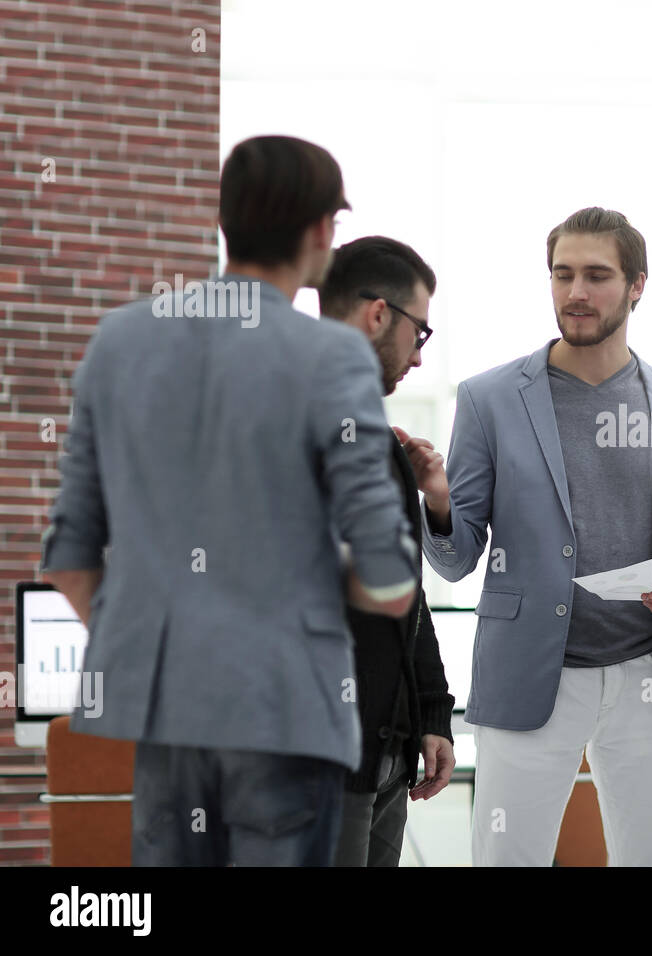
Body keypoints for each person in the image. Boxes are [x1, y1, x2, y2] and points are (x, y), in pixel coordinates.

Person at [40, 135, 419, 866]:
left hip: (163, 708)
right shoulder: (333, 355)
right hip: (288, 708)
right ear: (319, 232)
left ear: (227, 221)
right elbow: (388, 574)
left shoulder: (118, 343)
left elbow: (69, 557)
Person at [402, 207, 652, 866]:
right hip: (533, 676)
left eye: (596, 275)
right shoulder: (489, 399)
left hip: (651, 677)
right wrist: (438, 502)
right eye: (562, 275)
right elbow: (456, 559)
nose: (576, 292)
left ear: (638, 284)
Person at [317, 236, 458, 866]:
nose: (419, 358)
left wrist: (431, 713)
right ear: (379, 314)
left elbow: (406, 595)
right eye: (419, 333)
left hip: (386, 757)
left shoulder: (380, 441)